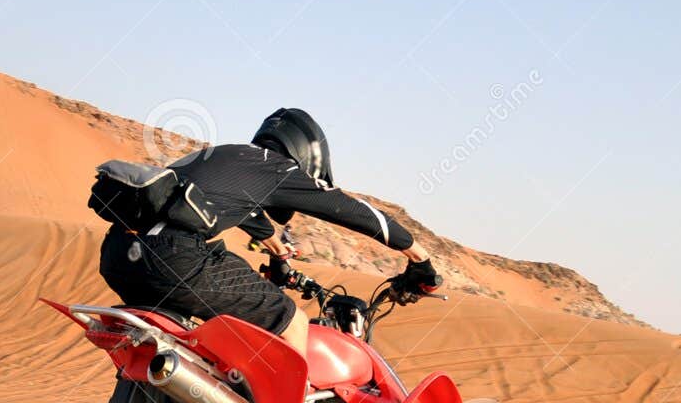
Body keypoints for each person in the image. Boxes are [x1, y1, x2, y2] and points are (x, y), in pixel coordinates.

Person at [97, 108, 440, 353]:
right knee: (292, 322)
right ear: (304, 154)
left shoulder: (225, 157)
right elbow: (351, 211)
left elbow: (234, 211)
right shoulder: (277, 168)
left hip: (119, 256)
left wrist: (279, 252)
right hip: (175, 258)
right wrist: (419, 258)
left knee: (205, 337)